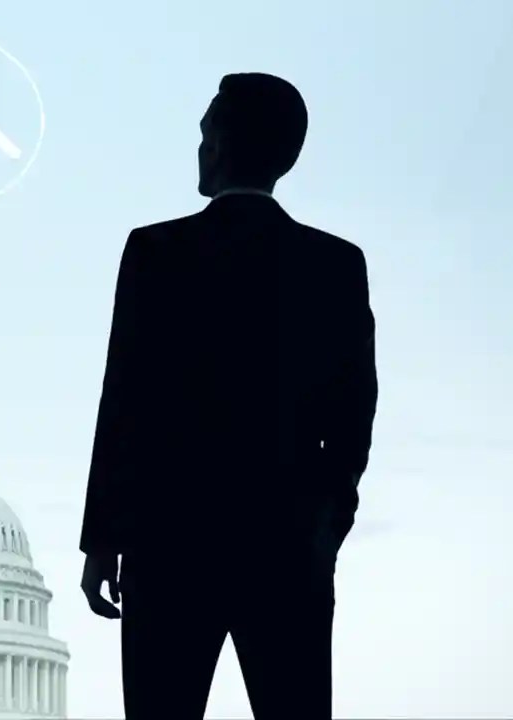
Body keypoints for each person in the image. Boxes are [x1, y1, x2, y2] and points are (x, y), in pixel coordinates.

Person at [79, 73, 378, 719]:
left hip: (169, 543)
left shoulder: (155, 251)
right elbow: (353, 415)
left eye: (204, 133)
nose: (199, 147)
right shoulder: (334, 264)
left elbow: (123, 403)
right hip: (288, 542)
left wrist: (102, 539)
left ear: (217, 146)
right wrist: (326, 522)